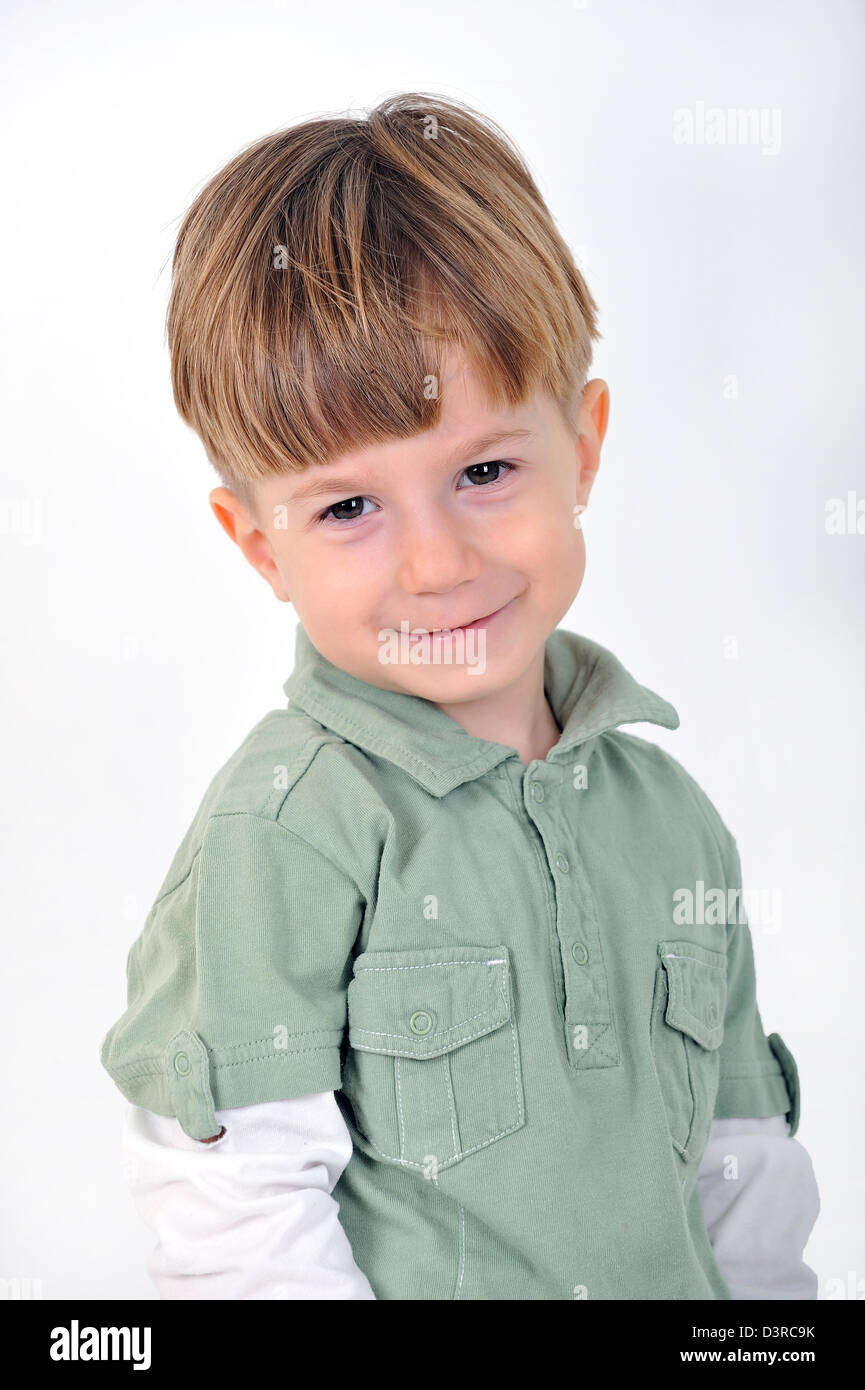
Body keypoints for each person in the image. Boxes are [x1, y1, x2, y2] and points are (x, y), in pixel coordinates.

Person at [101, 91, 819, 1300]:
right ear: (258, 545)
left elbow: (743, 1186)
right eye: (347, 507)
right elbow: (235, 1219)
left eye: (484, 470)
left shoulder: (673, 822)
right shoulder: (287, 834)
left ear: (582, 446)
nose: (436, 564)